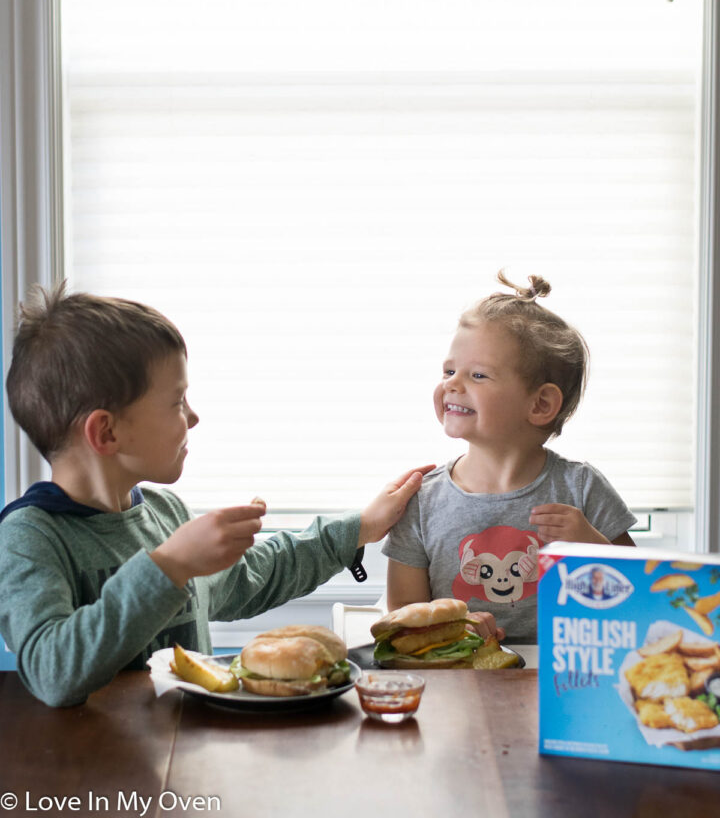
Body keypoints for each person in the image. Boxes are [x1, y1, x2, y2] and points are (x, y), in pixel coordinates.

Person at [0, 283, 431, 707]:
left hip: (180, 758)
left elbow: (254, 575)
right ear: (106, 431)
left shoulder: (165, 514)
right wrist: (169, 566)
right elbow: (52, 672)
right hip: (90, 772)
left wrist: (361, 527)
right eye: (177, 401)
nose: (194, 416)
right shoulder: (29, 538)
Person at [382, 271, 636, 644]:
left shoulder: (581, 488)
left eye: (478, 375)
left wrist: (592, 545)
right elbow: (402, 614)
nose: (452, 384)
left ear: (540, 404)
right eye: (449, 370)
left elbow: (636, 598)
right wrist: (455, 631)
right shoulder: (421, 501)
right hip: (457, 686)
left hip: (558, 685)